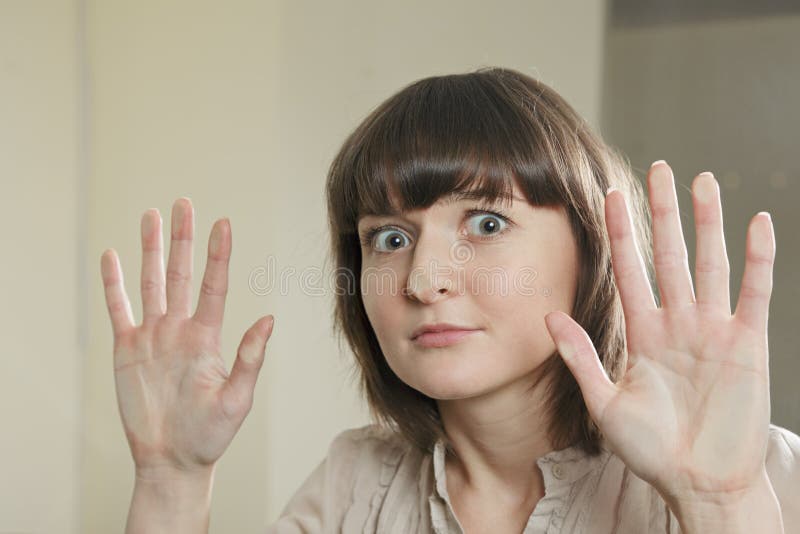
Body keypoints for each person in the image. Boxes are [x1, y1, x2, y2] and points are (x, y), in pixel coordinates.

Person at [101, 67, 799, 534]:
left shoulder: (756, 474)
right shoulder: (356, 485)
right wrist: (170, 480)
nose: (423, 279)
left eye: (487, 223)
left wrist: (720, 504)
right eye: (390, 238)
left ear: (593, 248)